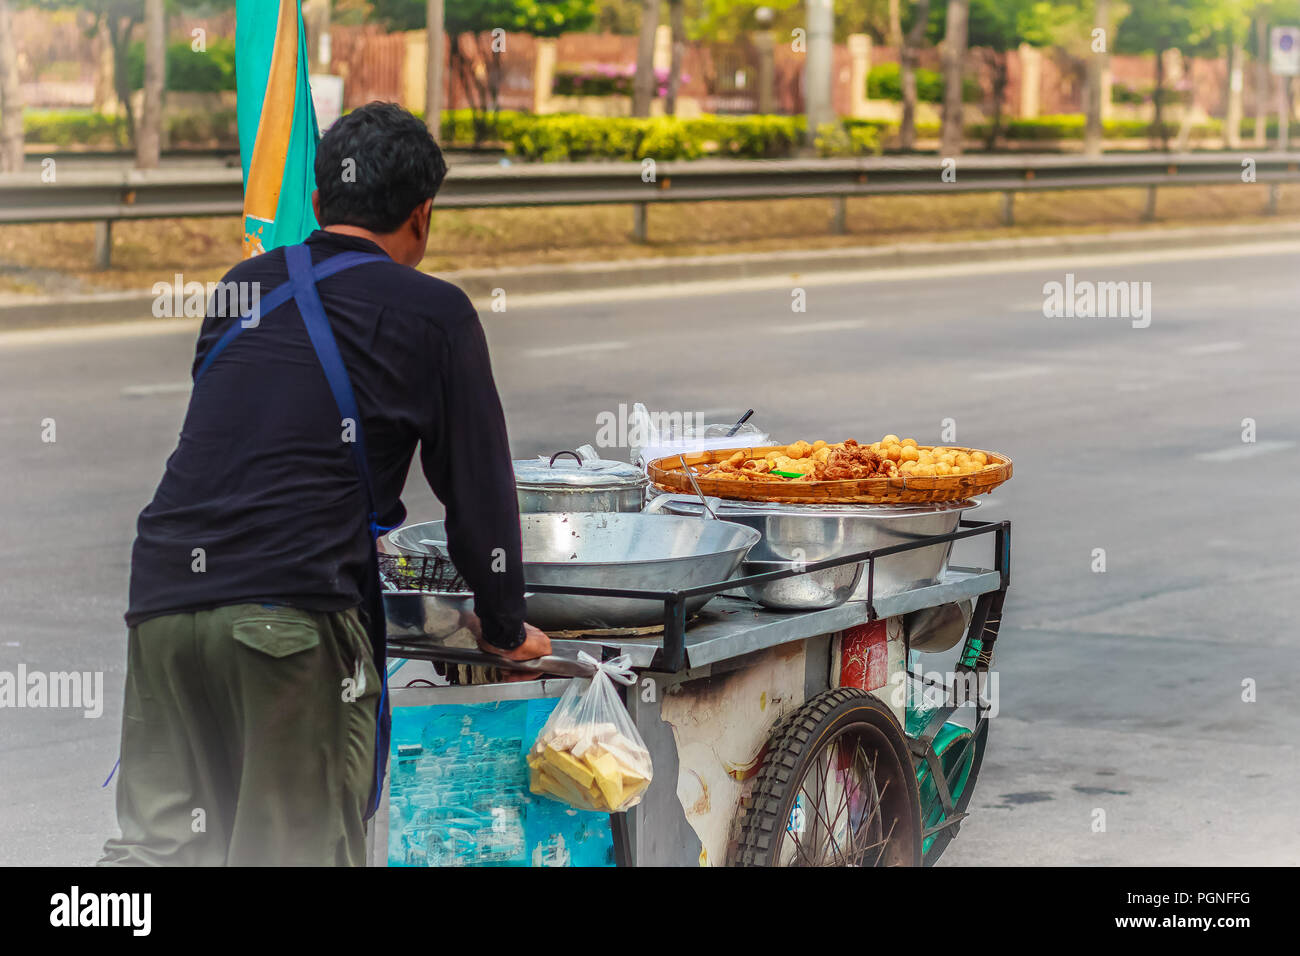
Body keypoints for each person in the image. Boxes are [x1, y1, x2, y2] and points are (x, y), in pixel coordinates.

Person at [99, 102, 549, 866]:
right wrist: (502, 629)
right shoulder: (436, 313)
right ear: (423, 215)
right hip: (290, 620)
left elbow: (243, 443)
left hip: (165, 602)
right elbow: (478, 493)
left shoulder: (242, 288)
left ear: (315, 205)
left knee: (156, 854)